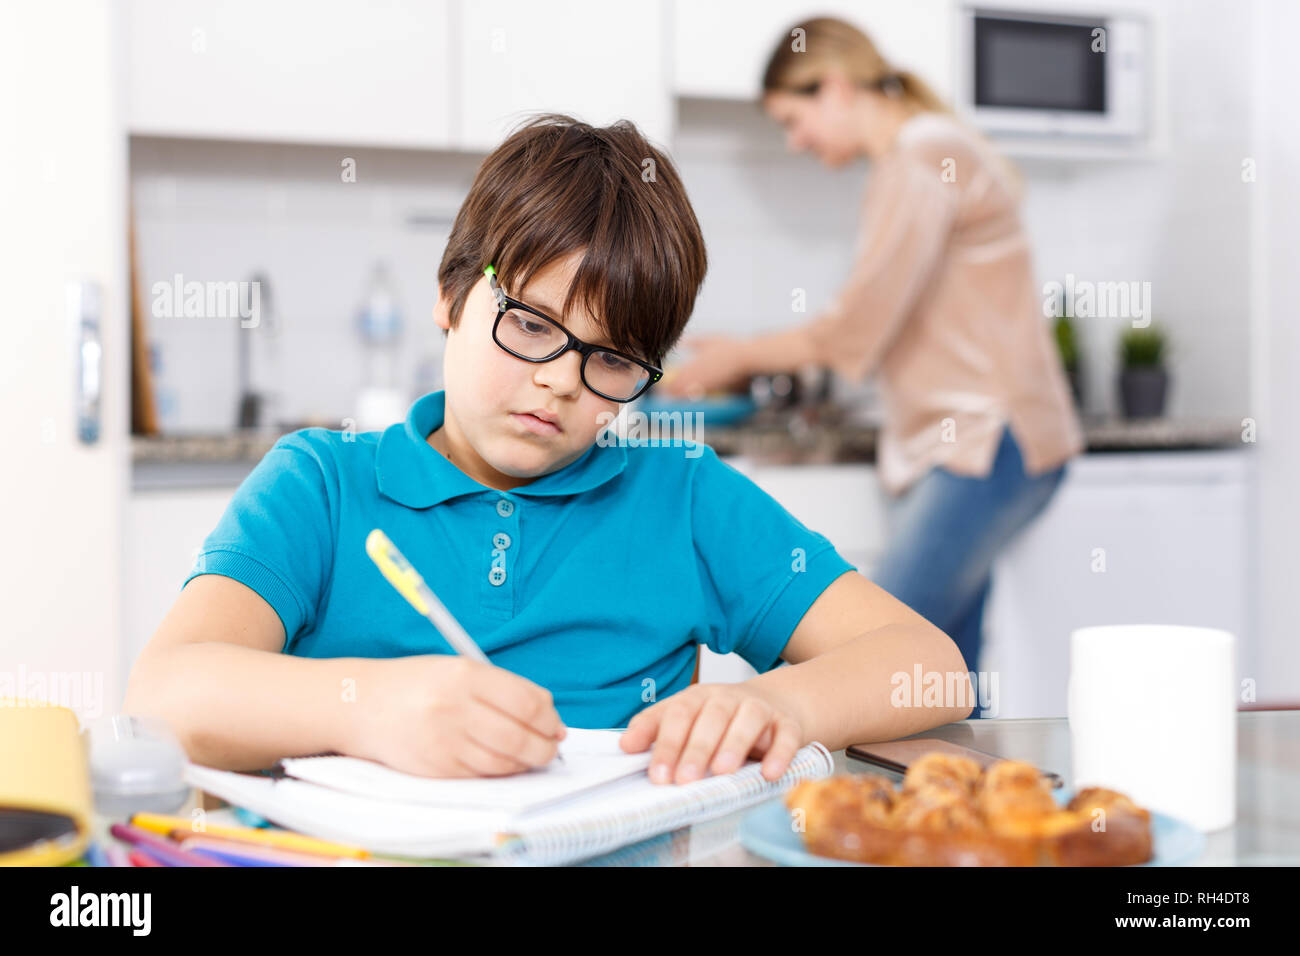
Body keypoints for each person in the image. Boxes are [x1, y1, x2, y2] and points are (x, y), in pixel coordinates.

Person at [124, 114, 974, 787]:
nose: (561, 383)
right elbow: (164, 692)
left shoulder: (680, 498)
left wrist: (779, 703)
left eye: (609, 358)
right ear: (451, 297)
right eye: (530, 324)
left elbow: (933, 670)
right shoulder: (321, 484)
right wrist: (367, 706)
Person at [663, 18, 1084, 705]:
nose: (797, 142)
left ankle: (845, 807)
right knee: (944, 671)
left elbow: (857, 328)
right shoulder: (925, 155)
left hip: (987, 441)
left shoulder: (920, 159)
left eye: (795, 120)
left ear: (832, 86)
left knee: (883, 656)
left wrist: (742, 355)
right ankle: (961, 805)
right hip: (987, 441)